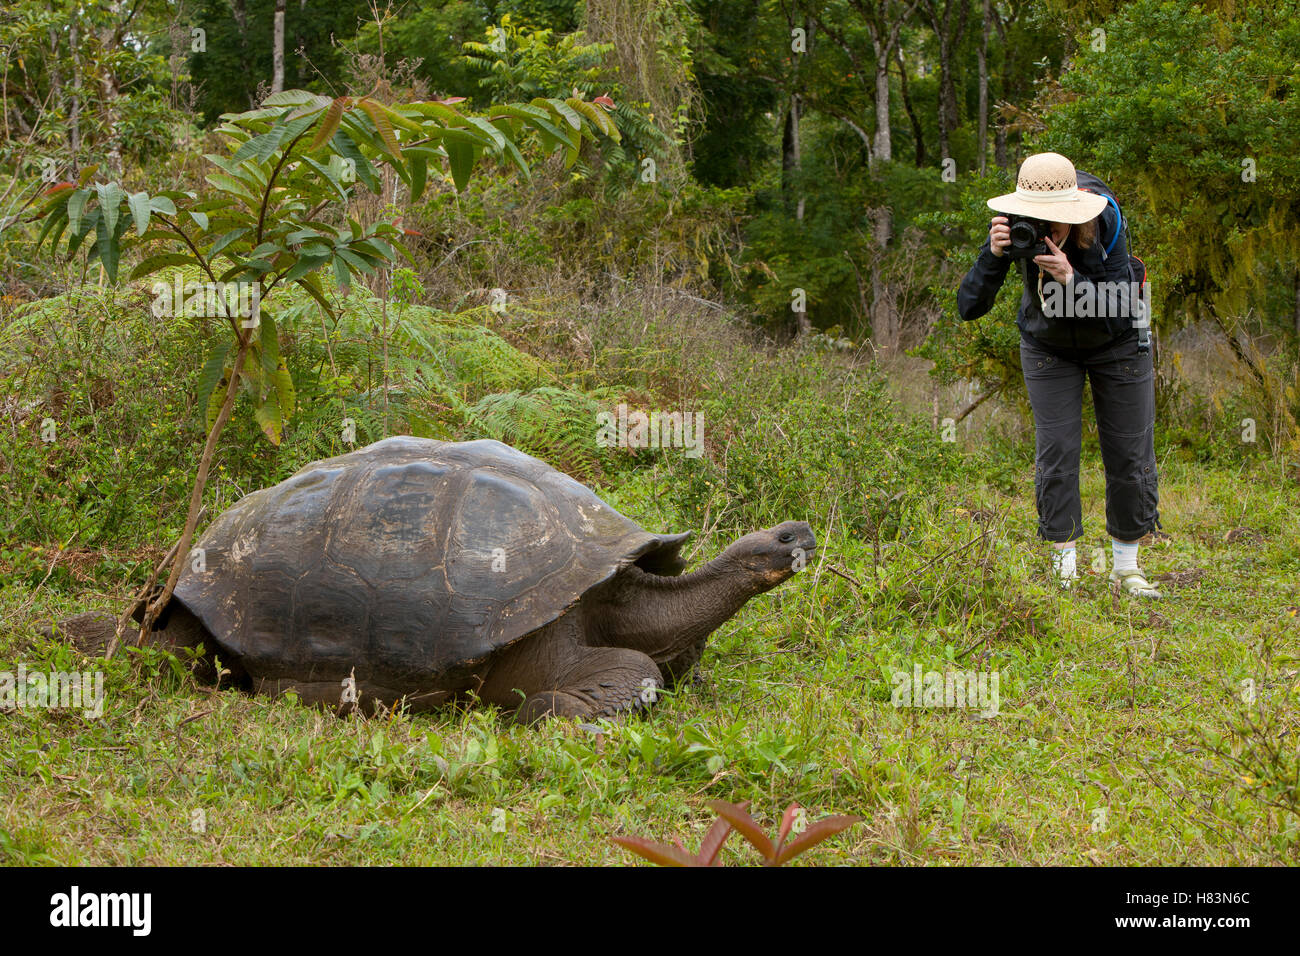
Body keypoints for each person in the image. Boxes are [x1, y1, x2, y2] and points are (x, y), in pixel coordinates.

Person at [957, 152, 1162, 598]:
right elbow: (968, 307)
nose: (1046, 231)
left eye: (1056, 222)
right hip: (1048, 347)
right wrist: (994, 256)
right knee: (1057, 453)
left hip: (1119, 344)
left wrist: (1072, 279)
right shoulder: (1015, 227)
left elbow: (1126, 309)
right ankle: (1064, 573)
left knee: (1129, 454)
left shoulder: (1105, 224)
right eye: (1038, 220)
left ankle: (1126, 569)